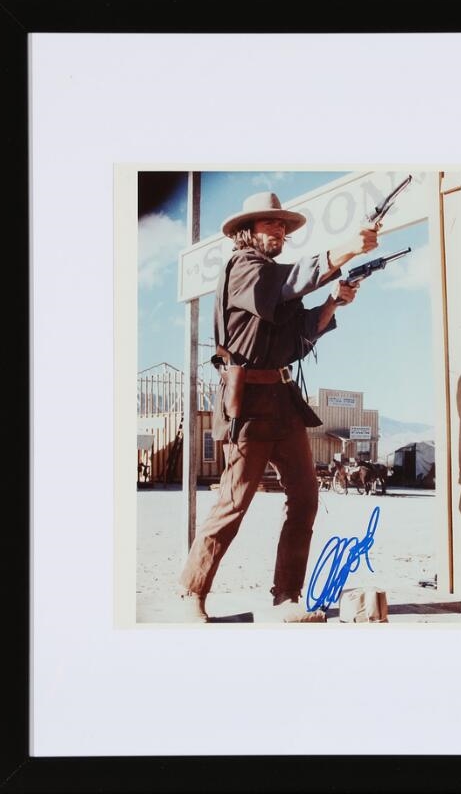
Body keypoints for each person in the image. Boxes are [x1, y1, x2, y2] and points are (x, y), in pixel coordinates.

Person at [179, 191, 378, 622]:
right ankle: (192, 593)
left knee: (306, 498)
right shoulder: (245, 269)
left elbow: (299, 338)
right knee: (233, 503)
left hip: (283, 403)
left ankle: (286, 596)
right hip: (247, 404)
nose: (280, 232)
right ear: (247, 232)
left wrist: (333, 302)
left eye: (283, 226)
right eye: (271, 224)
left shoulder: (274, 281)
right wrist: (344, 250)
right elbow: (287, 283)